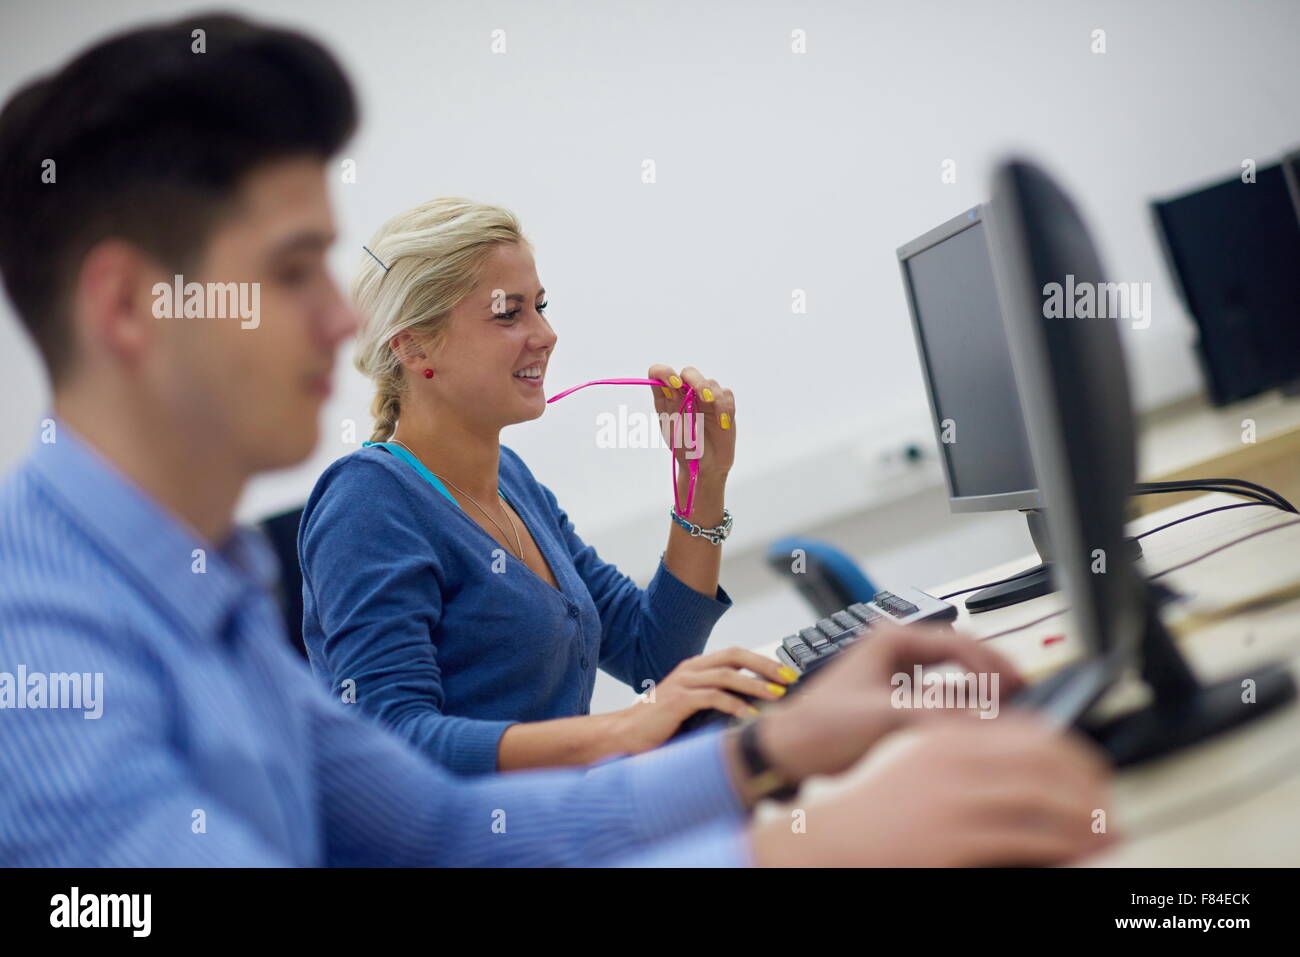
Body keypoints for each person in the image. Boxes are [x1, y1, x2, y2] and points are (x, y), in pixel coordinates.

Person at [0, 12, 1114, 867]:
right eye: (295, 272)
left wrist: (765, 748)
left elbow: (441, 827)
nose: (343, 321)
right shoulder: (42, 645)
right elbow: (425, 754)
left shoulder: (215, 583)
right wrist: (794, 846)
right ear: (130, 309)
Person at [299, 197, 793, 775]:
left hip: (571, 808)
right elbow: (398, 744)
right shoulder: (366, 502)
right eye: (508, 314)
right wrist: (620, 730)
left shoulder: (511, 480)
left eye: (540, 306)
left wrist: (701, 483)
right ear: (413, 346)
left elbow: (653, 654)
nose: (546, 334)